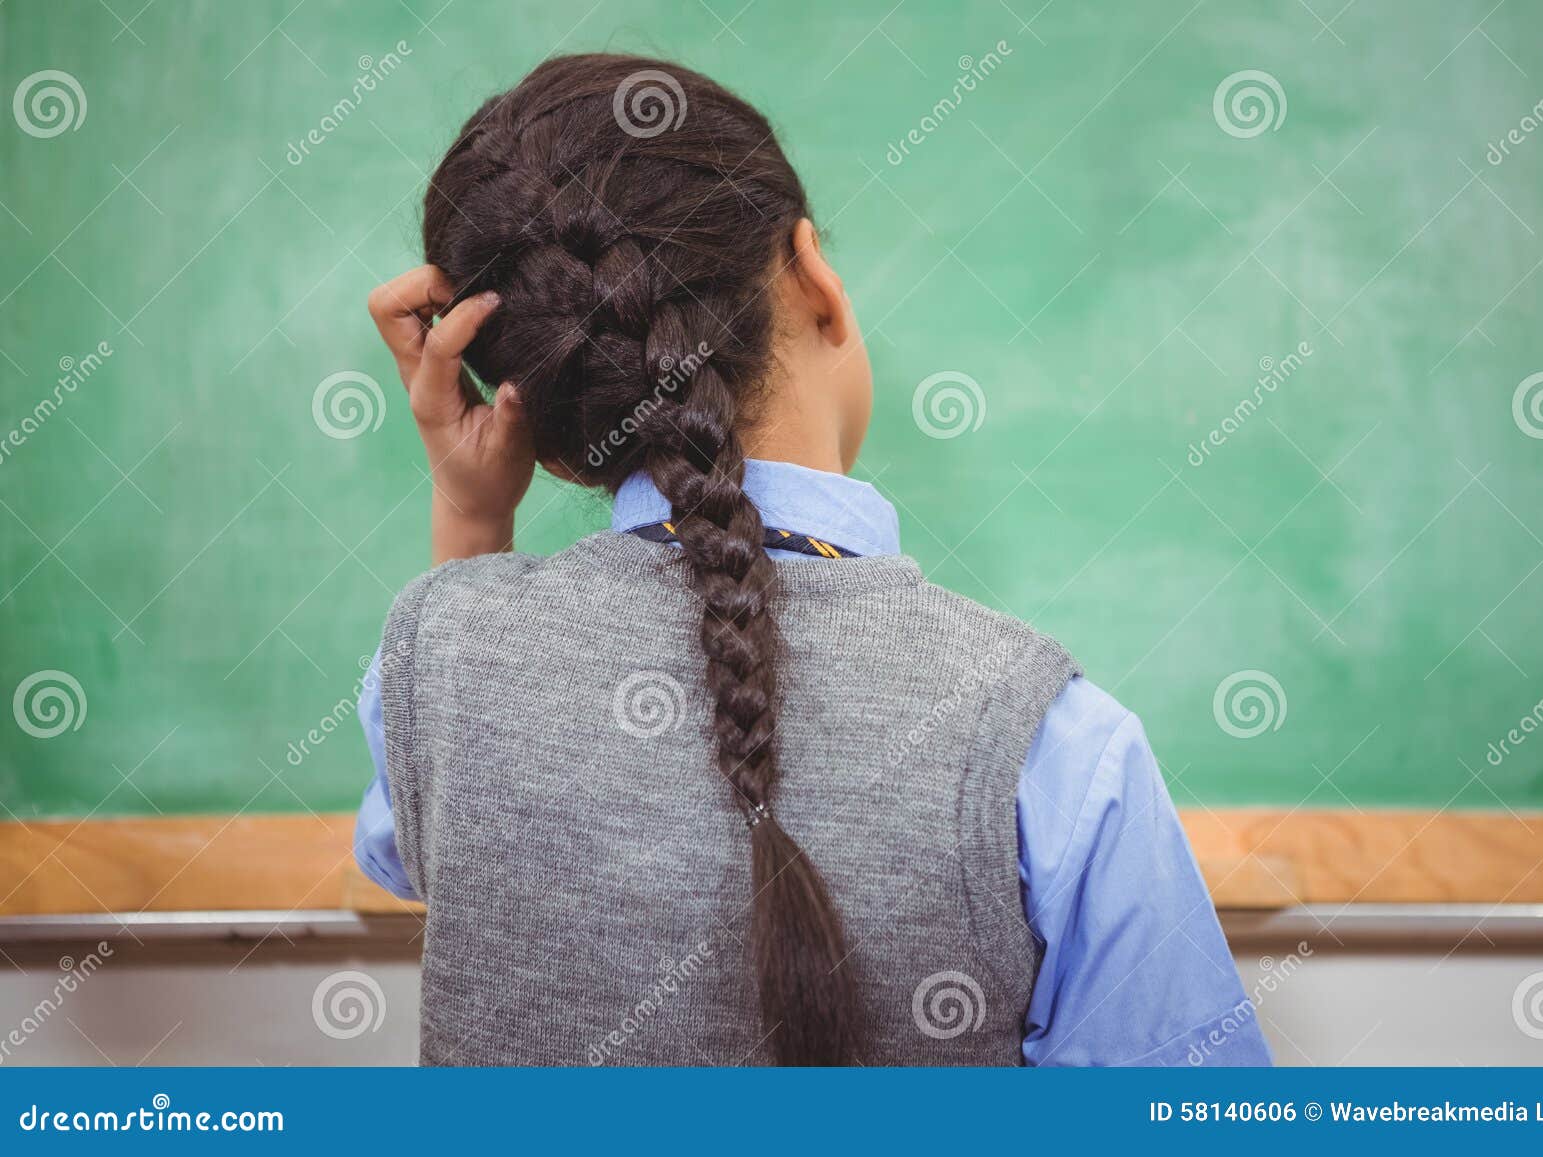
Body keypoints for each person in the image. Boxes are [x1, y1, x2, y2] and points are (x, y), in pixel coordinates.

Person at [354, 52, 1270, 1067]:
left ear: (555, 441)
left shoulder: (442, 659)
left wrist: (468, 518)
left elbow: (415, 841)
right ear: (816, 282)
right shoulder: (1046, 737)